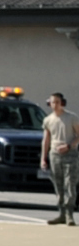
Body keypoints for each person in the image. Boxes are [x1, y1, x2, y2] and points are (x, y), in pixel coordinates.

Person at [41, 92, 78, 224]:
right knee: (58, 184)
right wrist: (43, 158)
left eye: (57, 102)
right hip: (55, 155)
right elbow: (46, 140)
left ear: (62, 103)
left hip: (70, 154)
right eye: (52, 102)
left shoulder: (72, 118)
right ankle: (61, 213)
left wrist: (69, 146)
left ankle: (69, 214)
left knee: (70, 184)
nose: (55, 105)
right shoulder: (48, 120)